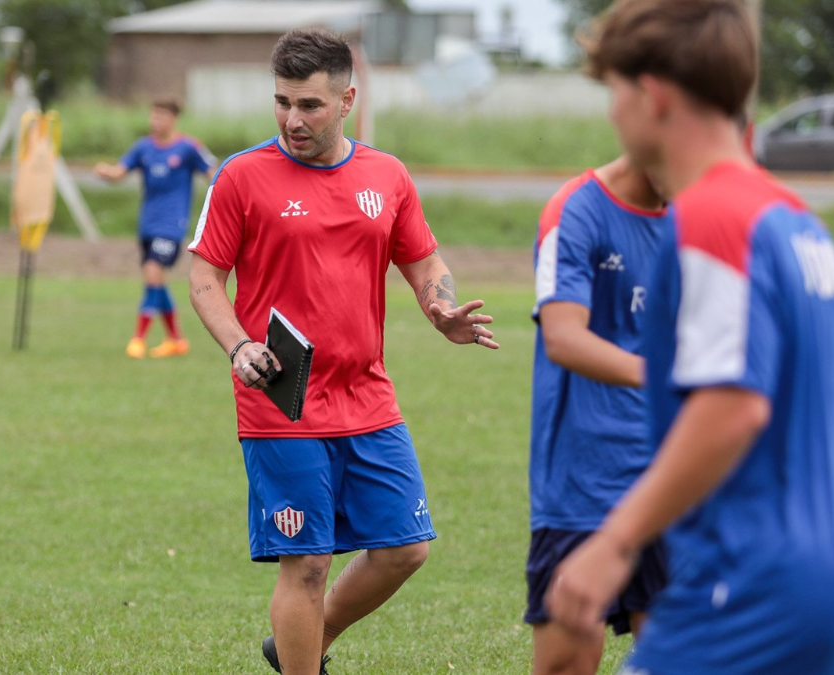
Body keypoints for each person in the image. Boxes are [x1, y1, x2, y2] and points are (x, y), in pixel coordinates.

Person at [545, 2, 834, 674]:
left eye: (615, 90)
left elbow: (733, 406)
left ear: (653, 95)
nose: (612, 112)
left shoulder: (709, 217)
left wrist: (615, 541)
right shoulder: (798, 221)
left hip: (754, 587)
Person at [188, 28, 499, 675]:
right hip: (283, 398)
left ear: (347, 100)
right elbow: (204, 279)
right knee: (307, 563)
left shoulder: (387, 175)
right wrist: (239, 345)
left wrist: (440, 306)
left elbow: (423, 260)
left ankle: (299, 645)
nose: (292, 120)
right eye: (282, 102)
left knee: (405, 548)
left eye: (310, 105)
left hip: (367, 394)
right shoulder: (242, 176)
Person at [527, 155, 669, 675]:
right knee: (568, 661)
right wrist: (668, 377)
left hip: (673, 476)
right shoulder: (577, 209)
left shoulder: (701, 218)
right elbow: (564, 338)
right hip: (582, 480)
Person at [95, 97, 216, 359]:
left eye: (161, 116)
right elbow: (119, 173)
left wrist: (223, 197)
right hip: (148, 224)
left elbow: (214, 174)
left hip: (172, 224)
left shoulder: (188, 147)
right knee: (156, 279)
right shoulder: (143, 147)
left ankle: (138, 339)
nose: (155, 121)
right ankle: (177, 340)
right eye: (153, 115)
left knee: (152, 272)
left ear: (173, 119)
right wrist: (106, 172)